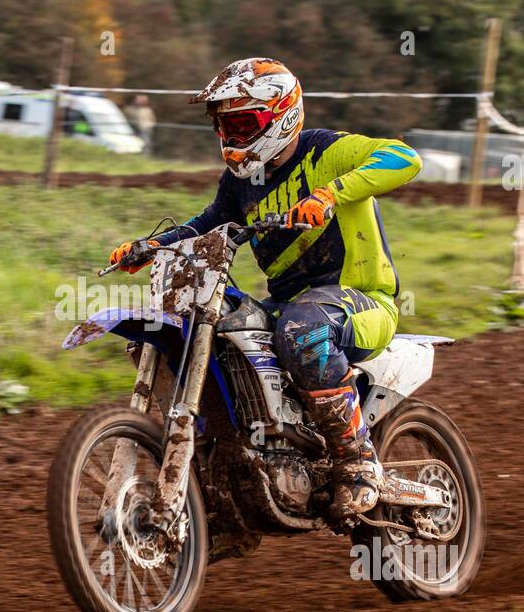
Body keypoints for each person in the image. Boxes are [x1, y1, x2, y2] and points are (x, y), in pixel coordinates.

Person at [108, 57, 422, 517]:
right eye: (224, 126)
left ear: (282, 113)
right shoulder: (241, 183)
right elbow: (209, 224)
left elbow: (404, 157)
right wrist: (151, 245)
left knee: (302, 329)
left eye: (242, 123)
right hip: (288, 303)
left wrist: (330, 194)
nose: (232, 138)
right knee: (219, 333)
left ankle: (357, 461)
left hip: (360, 301)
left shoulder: (324, 151)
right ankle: (230, 486)